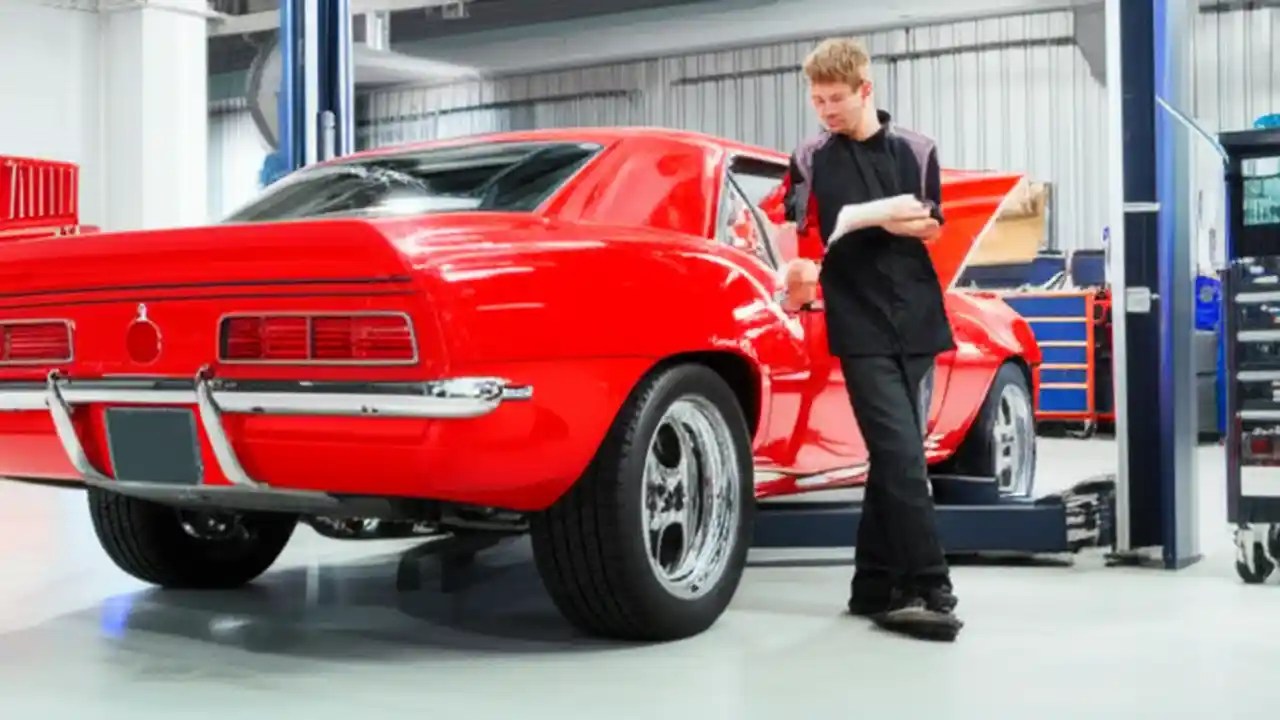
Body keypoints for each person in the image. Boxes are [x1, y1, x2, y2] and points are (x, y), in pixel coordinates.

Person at [774, 37, 963, 642]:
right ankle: (931, 586)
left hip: (917, 317)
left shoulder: (916, 148)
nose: (826, 110)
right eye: (817, 99)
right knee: (903, 453)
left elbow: (930, 225)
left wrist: (878, 218)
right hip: (855, 319)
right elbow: (792, 228)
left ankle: (872, 585)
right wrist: (794, 273)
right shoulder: (807, 156)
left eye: (836, 98)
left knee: (894, 454)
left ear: (866, 90)